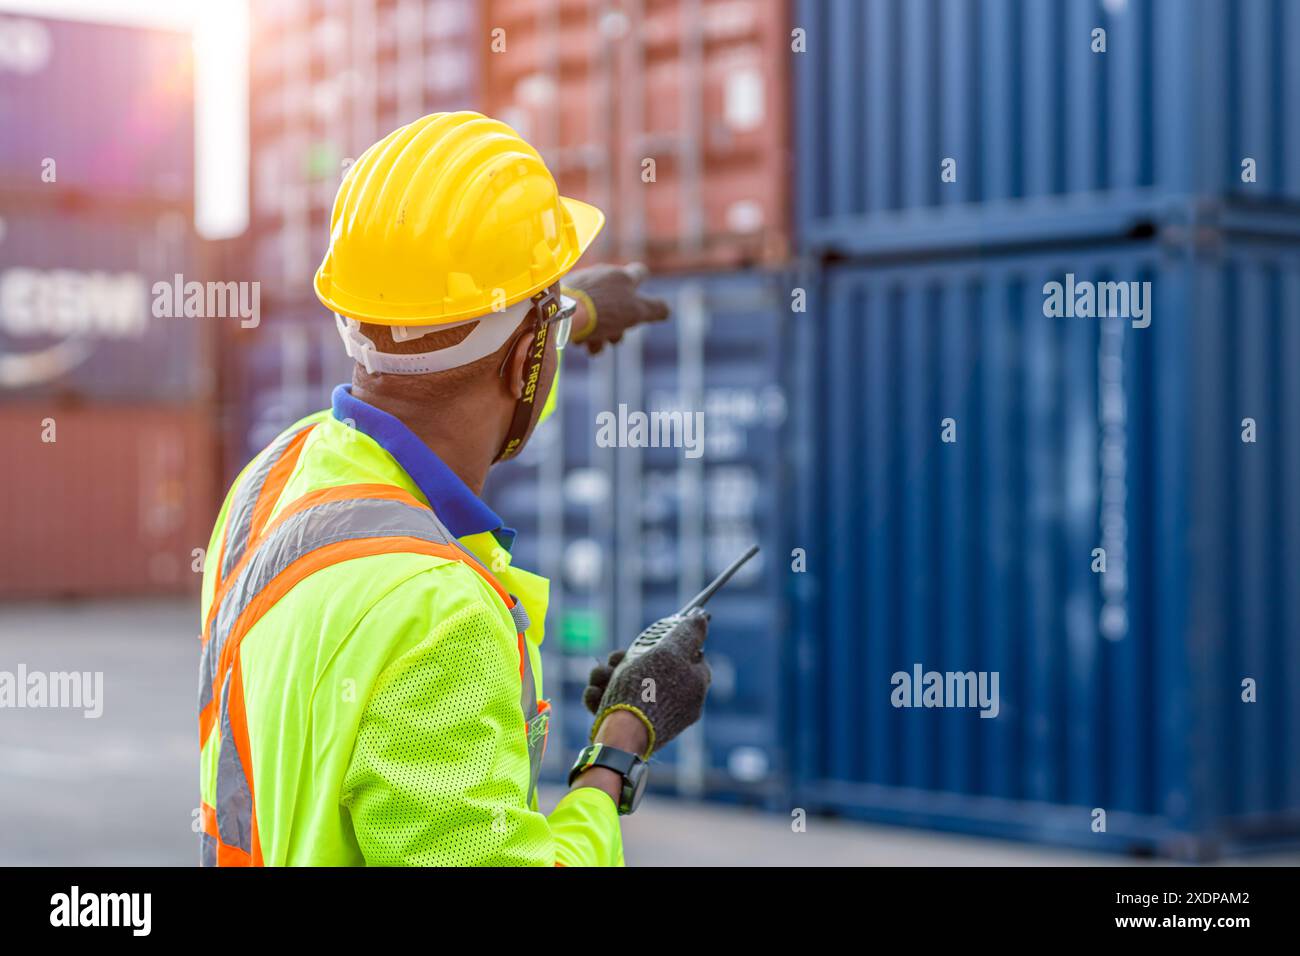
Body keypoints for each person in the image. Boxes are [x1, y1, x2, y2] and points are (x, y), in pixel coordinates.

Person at [196, 111, 712, 866]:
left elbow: (443, 355)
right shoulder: (438, 618)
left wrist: (565, 315)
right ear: (524, 359)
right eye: (550, 328)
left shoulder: (273, 477)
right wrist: (621, 744)